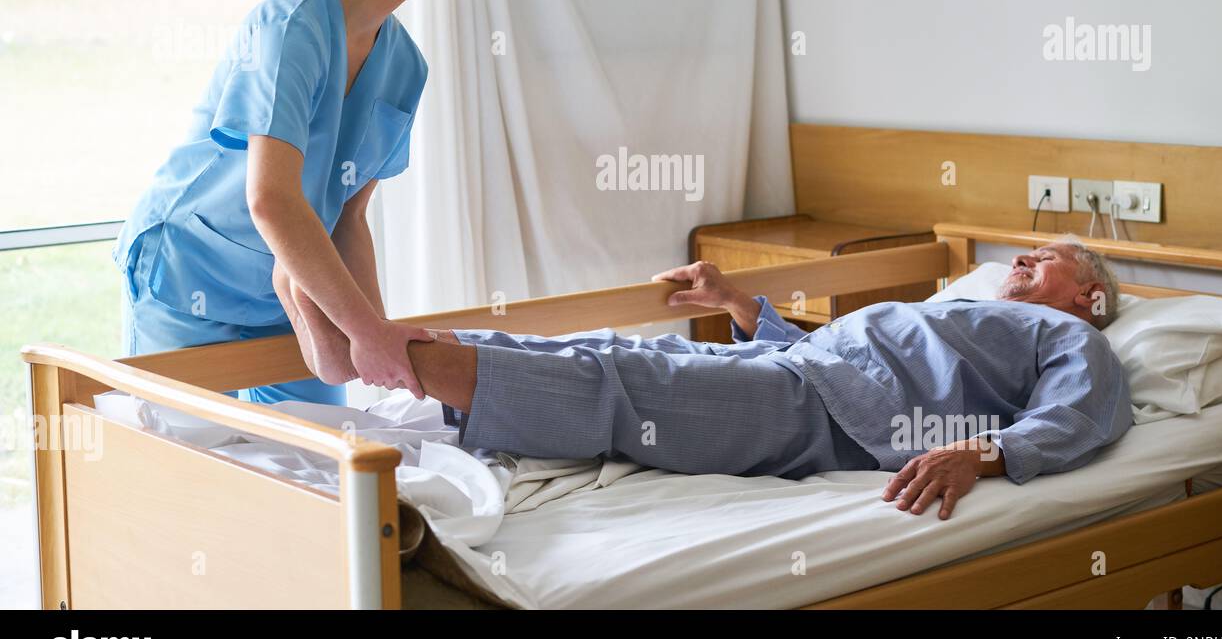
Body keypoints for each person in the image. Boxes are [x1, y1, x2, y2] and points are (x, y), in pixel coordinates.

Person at [284, 240, 1133, 518]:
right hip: (800, 366)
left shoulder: (1072, 341)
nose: (1020, 261)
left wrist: (977, 456)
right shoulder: (972, 309)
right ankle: (383, 350)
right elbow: (845, 347)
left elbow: (1079, 420)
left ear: (1088, 295)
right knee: (609, 348)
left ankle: (378, 354)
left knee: (623, 384)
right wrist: (741, 304)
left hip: (833, 414)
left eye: (1046, 259)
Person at [114, 0, 461, 404]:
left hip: (296, 287)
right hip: (191, 277)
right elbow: (271, 200)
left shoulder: (405, 65)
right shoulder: (287, 28)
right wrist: (366, 333)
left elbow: (349, 218)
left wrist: (382, 338)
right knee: (189, 472)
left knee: (319, 468)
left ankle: (293, 284)